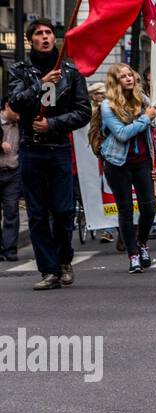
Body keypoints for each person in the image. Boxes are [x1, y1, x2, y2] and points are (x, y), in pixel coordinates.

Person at [7, 18, 92, 290]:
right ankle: (49, 270)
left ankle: (65, 259)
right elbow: (16, 102)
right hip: (32, 149)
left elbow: (83, 111)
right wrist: (41, 84)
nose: (45, 37)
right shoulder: (19, 70)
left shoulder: (69, 71)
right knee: (37, 213)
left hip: (58, 148)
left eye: (48, 33)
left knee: (64, 210)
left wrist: (53, 123)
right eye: (39, 34)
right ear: (30, 40)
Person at [92, 64, 156, 273]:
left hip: (142, 162)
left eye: (130, 74)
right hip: (117, 163)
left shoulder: (144, 101)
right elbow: (122, 134)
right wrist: (146, 118)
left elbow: (153, 137)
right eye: (122, 76)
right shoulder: (108, 106)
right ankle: (133, 254)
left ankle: (142, 243)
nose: (128, 78)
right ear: (116, 82)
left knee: (149, 208)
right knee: (125, 210)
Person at [87, 81, 116, 244]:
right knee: (106, 191)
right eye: (96, 94)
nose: (99, 96)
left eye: (101, 93)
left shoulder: (111, 108)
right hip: (100, 155)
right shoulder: (90, 112)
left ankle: (117, 228)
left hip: (114, 155)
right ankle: (108, 228)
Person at [0, 102, 20, 262]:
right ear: (7, 106)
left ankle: (10, 249)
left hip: (13, 172)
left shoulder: (20, 125)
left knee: (11, 211)